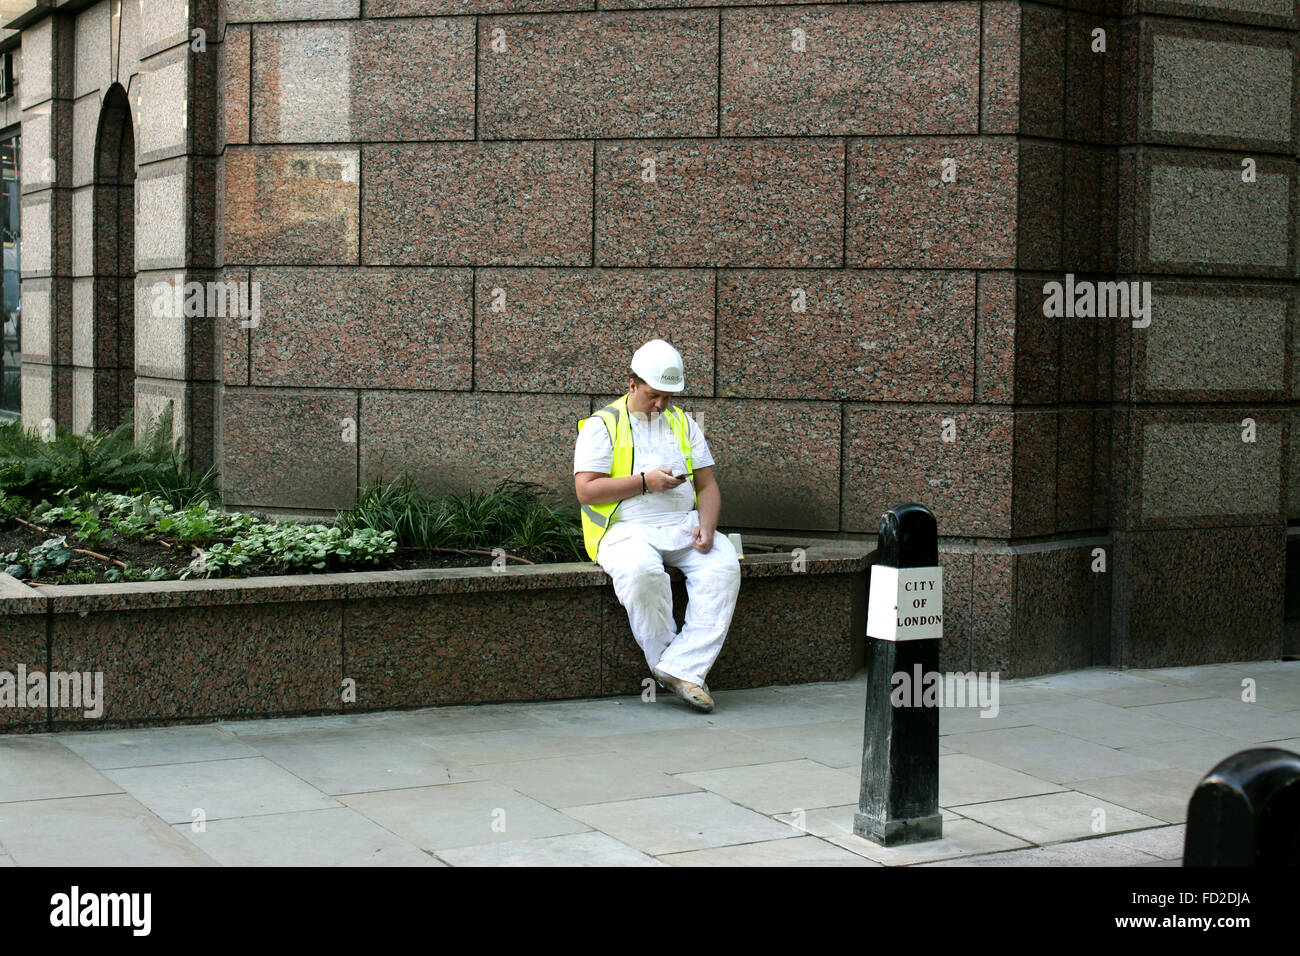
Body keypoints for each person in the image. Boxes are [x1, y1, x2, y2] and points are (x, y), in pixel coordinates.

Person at [573, 339, 741, 713]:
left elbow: (708, 484)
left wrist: (709, 526)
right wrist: (645, 482)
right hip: (623, 530)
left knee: (723, 566)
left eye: (669, 396)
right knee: (641, 572)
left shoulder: (683, 422)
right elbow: (586, 491)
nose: (662, 405)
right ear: (632, 384)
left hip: (683, 525)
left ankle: (679, 669)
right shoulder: (602, 425)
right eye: (654, 395)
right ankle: (678, 668)